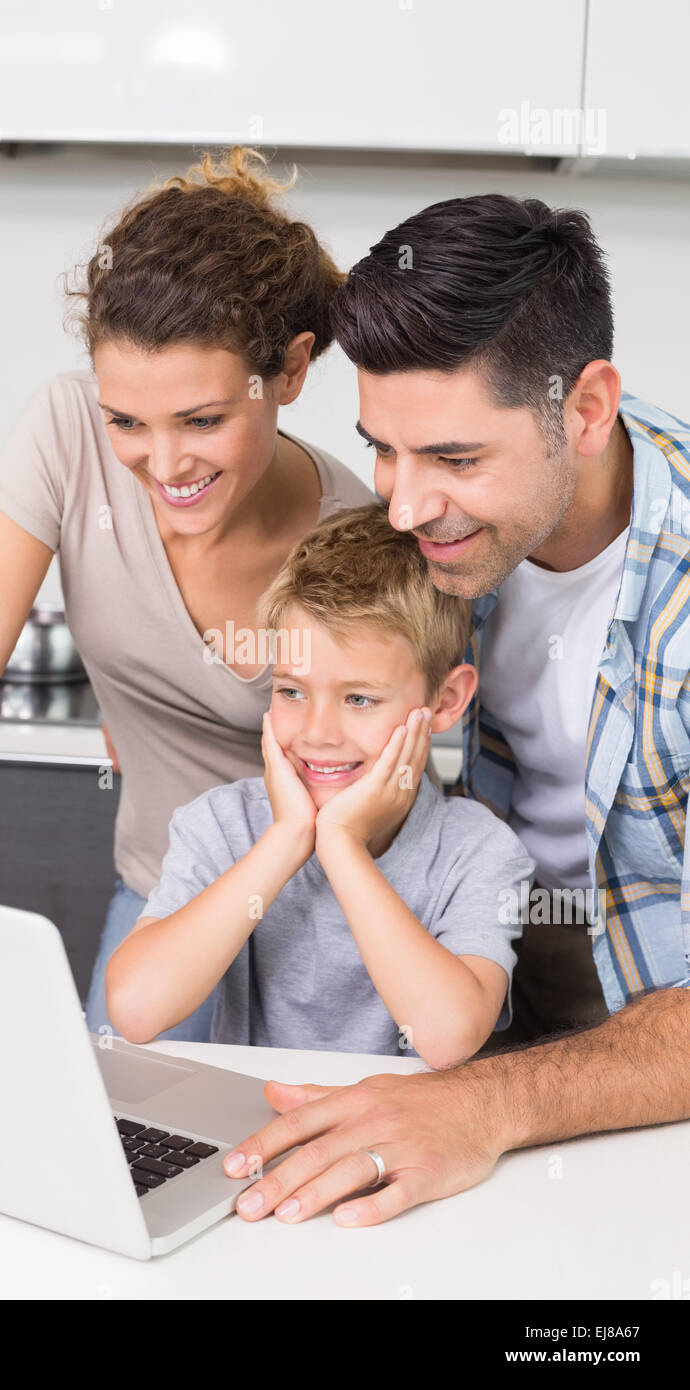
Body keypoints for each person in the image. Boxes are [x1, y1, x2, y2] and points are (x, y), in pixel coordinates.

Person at [218, 193, 690, 1230]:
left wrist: (485, 1102)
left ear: (585, 408)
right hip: (500, 1006)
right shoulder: (443, 541)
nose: (400, 505)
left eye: (454, 458)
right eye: (382, 448)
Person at [0, 147, 373, 1044]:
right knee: (123, 1163)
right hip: (162, 902)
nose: (164, 467)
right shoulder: (63, 432)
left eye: (203, 421)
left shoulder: (355, 533)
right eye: (127, 421)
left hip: (328, 929)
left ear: (289, 371)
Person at [106, 504, 538, 1065]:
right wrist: (288, 839)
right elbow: (137, 1009)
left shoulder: (478, 851)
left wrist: (341, 846)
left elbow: (447, 1037)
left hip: (397, 1142)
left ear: (445, 701)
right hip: (252, 1133)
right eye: (291, 691)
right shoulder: (223, 825)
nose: (316, 734)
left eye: (359, 699)